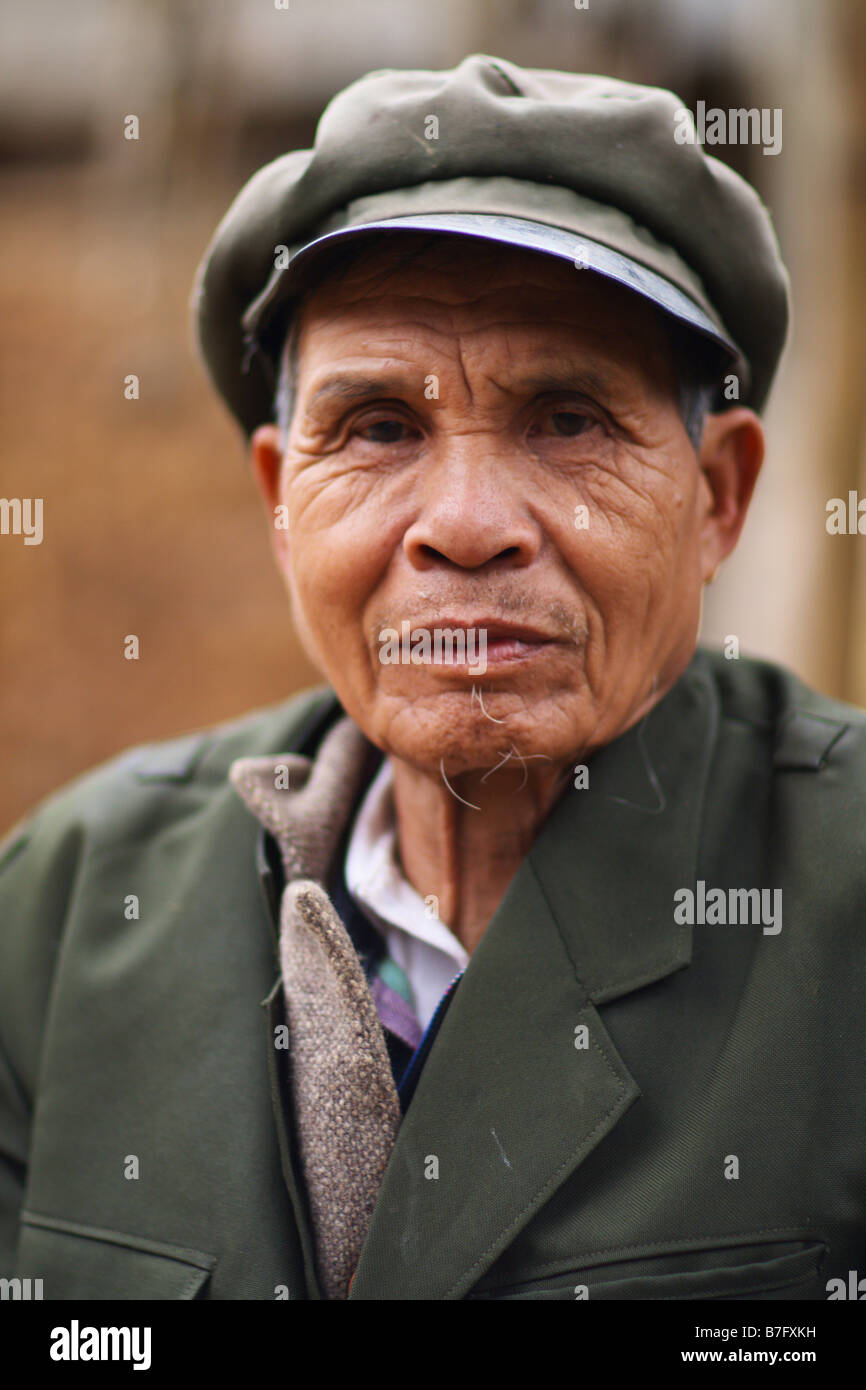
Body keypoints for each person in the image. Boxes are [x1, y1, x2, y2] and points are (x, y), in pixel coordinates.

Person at [1, 55, 863, 1302]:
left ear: (717, 495)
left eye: (567, 418)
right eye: (377, 428)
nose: (463, 525)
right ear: (280, 503)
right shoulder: (63, 914)